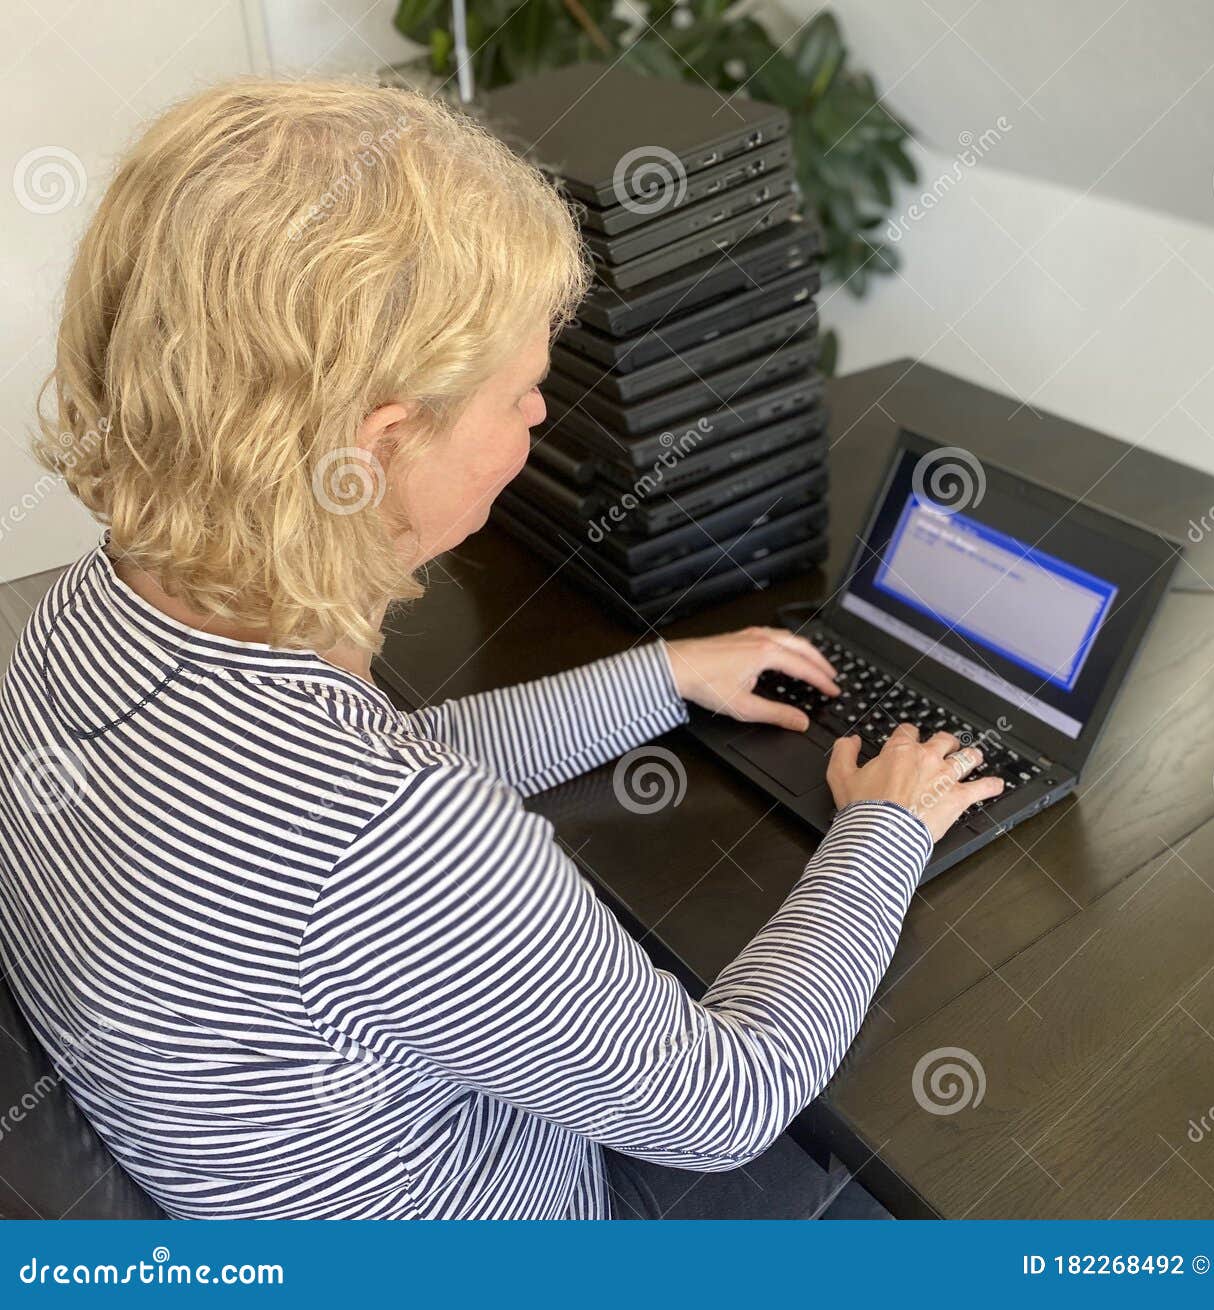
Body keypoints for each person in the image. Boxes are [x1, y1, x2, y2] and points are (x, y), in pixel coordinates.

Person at [0, 78, 1001, 1220]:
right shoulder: (389, 835)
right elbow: (725, 1102)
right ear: (381, 446)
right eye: (524, 392)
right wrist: (888, 823)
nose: (539, 420)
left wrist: (662, 675)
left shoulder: (75, 625)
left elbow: (382, 758)